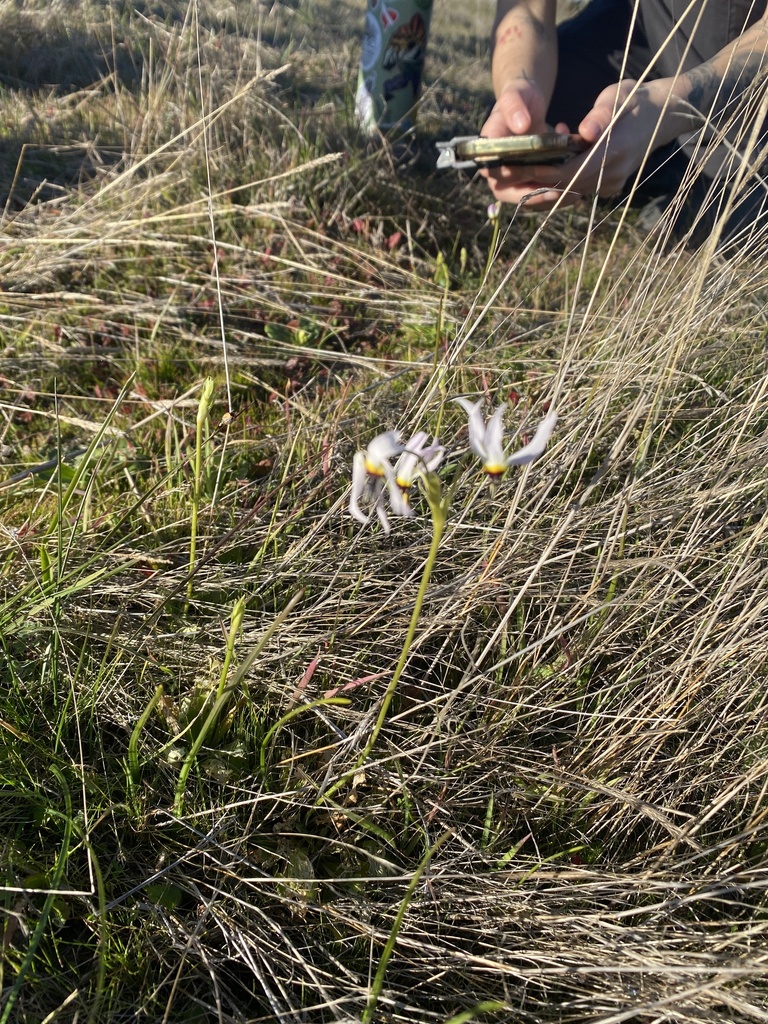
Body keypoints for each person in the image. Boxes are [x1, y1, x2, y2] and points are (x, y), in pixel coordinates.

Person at [481, 0, 768, 243]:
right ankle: (663, 160)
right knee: (546, 123)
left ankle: (681, 160)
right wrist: (520, 87)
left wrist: (669, 108)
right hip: (637, 17)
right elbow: (527, 9)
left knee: (728, 221)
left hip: (739, 33)